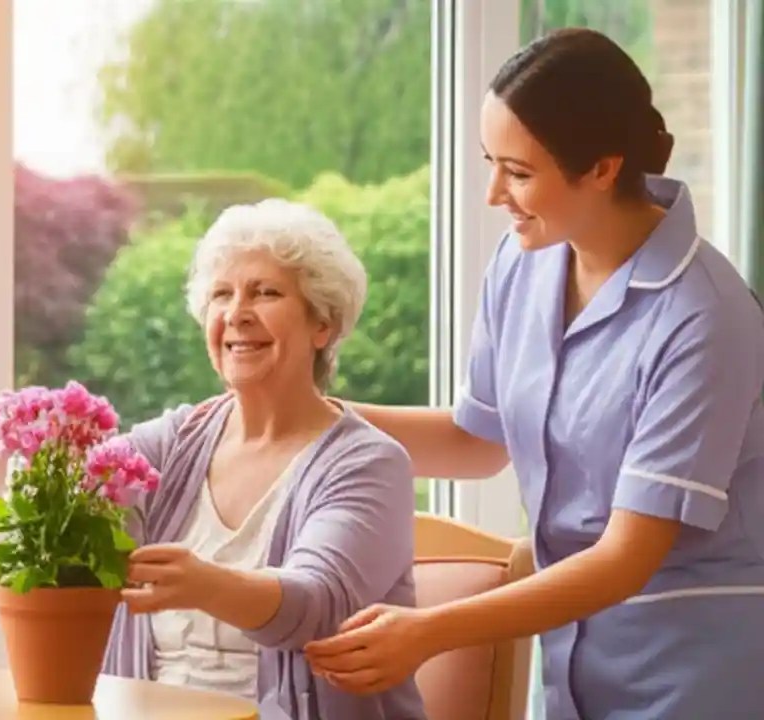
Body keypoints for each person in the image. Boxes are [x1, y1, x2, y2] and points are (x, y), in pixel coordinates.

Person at [303, 27, 764, 720]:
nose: (494, 193)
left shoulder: (705, 316)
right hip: (573, 675)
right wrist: (305, 419)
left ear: (602, 168)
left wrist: (428, 632)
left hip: (692, 678)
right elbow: (477, 441)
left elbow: (624, 558)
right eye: (490, 163)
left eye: (518, 173)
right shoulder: (525, 263)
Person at [99, 198, 426, 719]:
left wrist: (207, 584)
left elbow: (317, 607)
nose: (236, 313)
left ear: (323, 325)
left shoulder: (368, 464)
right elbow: (81, 511)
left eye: (266, 292)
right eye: (221, 295)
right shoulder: (173, 443)